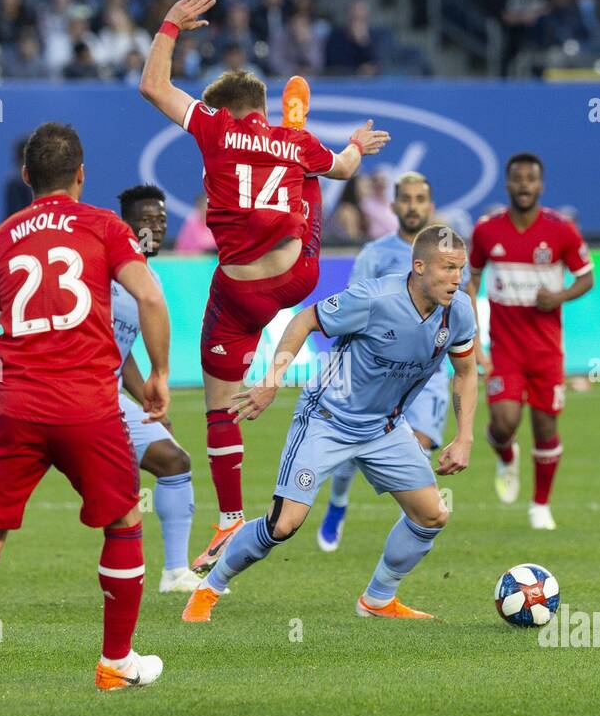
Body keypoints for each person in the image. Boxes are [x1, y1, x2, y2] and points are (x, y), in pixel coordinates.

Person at [138, 0, 389, 572]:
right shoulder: (290, 143)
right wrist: (353, 144)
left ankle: (228, 521)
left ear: (224, 108)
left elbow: (153, 85)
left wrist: (170, 23)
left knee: (218, 406)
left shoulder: (214, 129)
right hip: (298, 276)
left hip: (239, 292)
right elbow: (349, 166)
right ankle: (297, 127)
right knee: (308, 173)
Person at [0, 122, 171, 699]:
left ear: (27, 176)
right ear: (81, 175)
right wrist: (158, 375)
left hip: (17, 409)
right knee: (124, 522)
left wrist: (5, 397)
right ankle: (115, 663)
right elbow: (151, 297)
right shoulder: (105, 227)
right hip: (90, 405)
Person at [182, 224, 478, 623]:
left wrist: (464, 436)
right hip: (327, 420)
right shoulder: (375, 299)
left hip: (385, 429)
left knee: (432, 515)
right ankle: (209, 588)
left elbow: (465, 372)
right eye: (447, 268)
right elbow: (305, 321)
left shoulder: (458, 311)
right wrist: (272, 382)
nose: (456, 279)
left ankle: (377, 599)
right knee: (284, 524)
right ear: (419, 266)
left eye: (461, 269)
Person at [0, 183, 199, 597]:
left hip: (102, 396)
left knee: (174, 461)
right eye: (146, 220)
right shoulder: (104, 266)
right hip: (75, 394)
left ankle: (176, 571)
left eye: (162, 220)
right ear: (126, 224)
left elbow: (118, 347)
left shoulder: (145, 275)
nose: (156, 228)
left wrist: (145, 390)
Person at [316, 171, 467, 550]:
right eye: (407, 199)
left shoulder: (446, 254)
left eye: (420, 199)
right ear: (394, 205)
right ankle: (337, 503)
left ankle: (411, 529)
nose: (413, 206)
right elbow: (353, 309)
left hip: (426, 372)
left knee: (418, 447)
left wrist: (477, 355)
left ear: (430, 206)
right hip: (375, 373)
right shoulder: (375, 254)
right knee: (353, 449)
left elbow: (460, 310)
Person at [466, 153, 595, 530]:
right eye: (517, 178)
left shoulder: (561, 230)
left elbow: (587, 278)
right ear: (507, 185)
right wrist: (472, 331)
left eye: (531, 178)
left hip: (546, 351)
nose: (524, 185)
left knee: (545, 427)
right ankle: (506, 455)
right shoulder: (487, 230)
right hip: (504, 349)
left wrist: (558, 297)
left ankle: (540, 505)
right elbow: (471, 278)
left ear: (541, 185)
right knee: (504, 423)